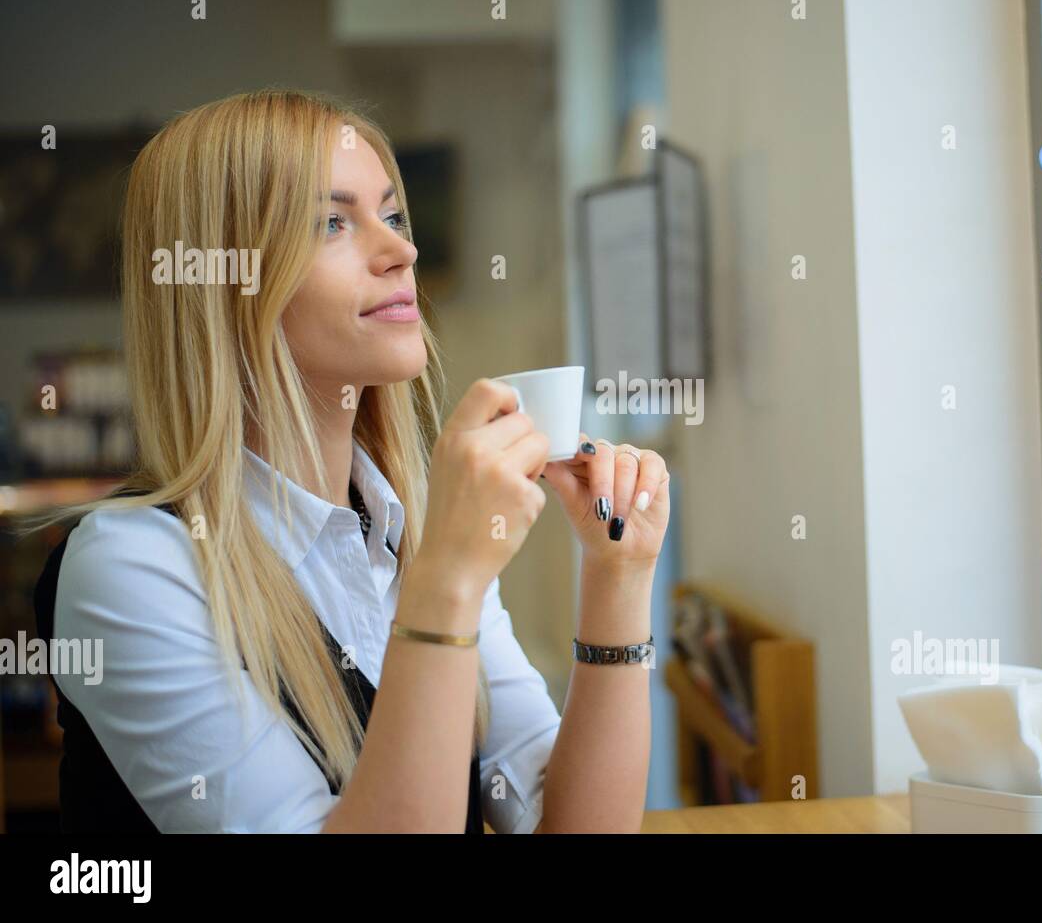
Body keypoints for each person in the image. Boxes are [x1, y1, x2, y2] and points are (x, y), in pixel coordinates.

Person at [24, 88, 671, 833]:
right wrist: (451, 579)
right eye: (332, 222)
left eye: (392, 215)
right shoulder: (132, 568)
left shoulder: (411, 526)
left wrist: (618, 579)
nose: (403, 250)